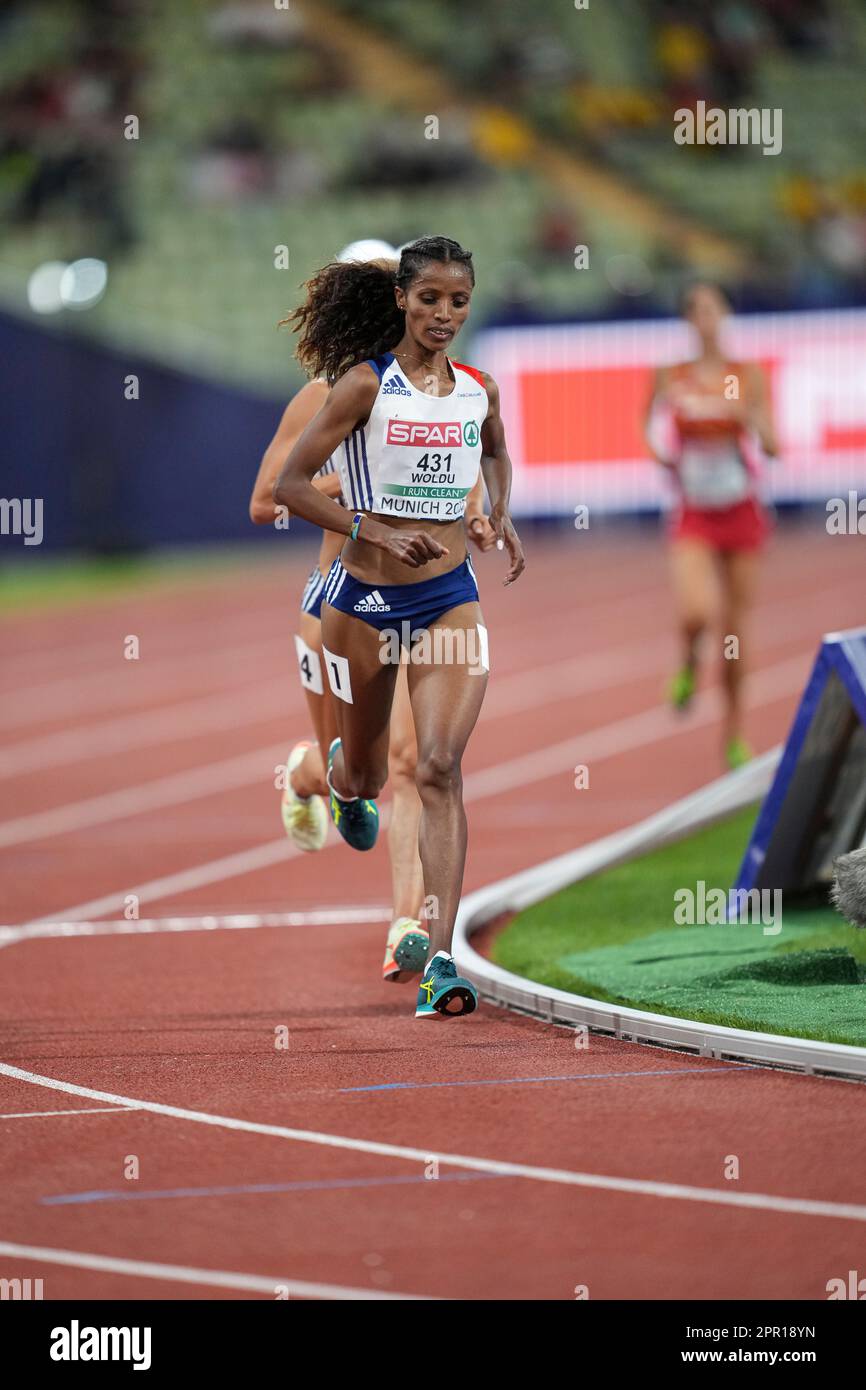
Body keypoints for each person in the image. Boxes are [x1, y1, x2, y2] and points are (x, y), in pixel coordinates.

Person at [273, 235, 525, 1018]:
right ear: (401, 301)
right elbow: (286, 487)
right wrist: (374, 533)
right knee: (371, 781)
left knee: (441, 767)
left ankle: (442, 959)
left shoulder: (479, 388)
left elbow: (496, 453)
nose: (444, 314)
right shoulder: (360, 386)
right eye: (429, 299)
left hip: (451, 596)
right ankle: (330, 779)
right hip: (365, 606)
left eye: (458, 301)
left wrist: (497, 517)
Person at [645, 281, 778, 770]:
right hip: (695, 511)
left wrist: (745, 417)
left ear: (725, 314)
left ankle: (735, 733)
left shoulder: (745, 375)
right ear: (687, 319)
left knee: (736, 630)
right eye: (695, 310)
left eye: (712, 308)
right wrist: (660, 453)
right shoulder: (671, 374)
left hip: (741, 510)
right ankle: (686, 663)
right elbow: (647, 428)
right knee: (697, 612)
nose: (704, 318)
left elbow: (774, 444)